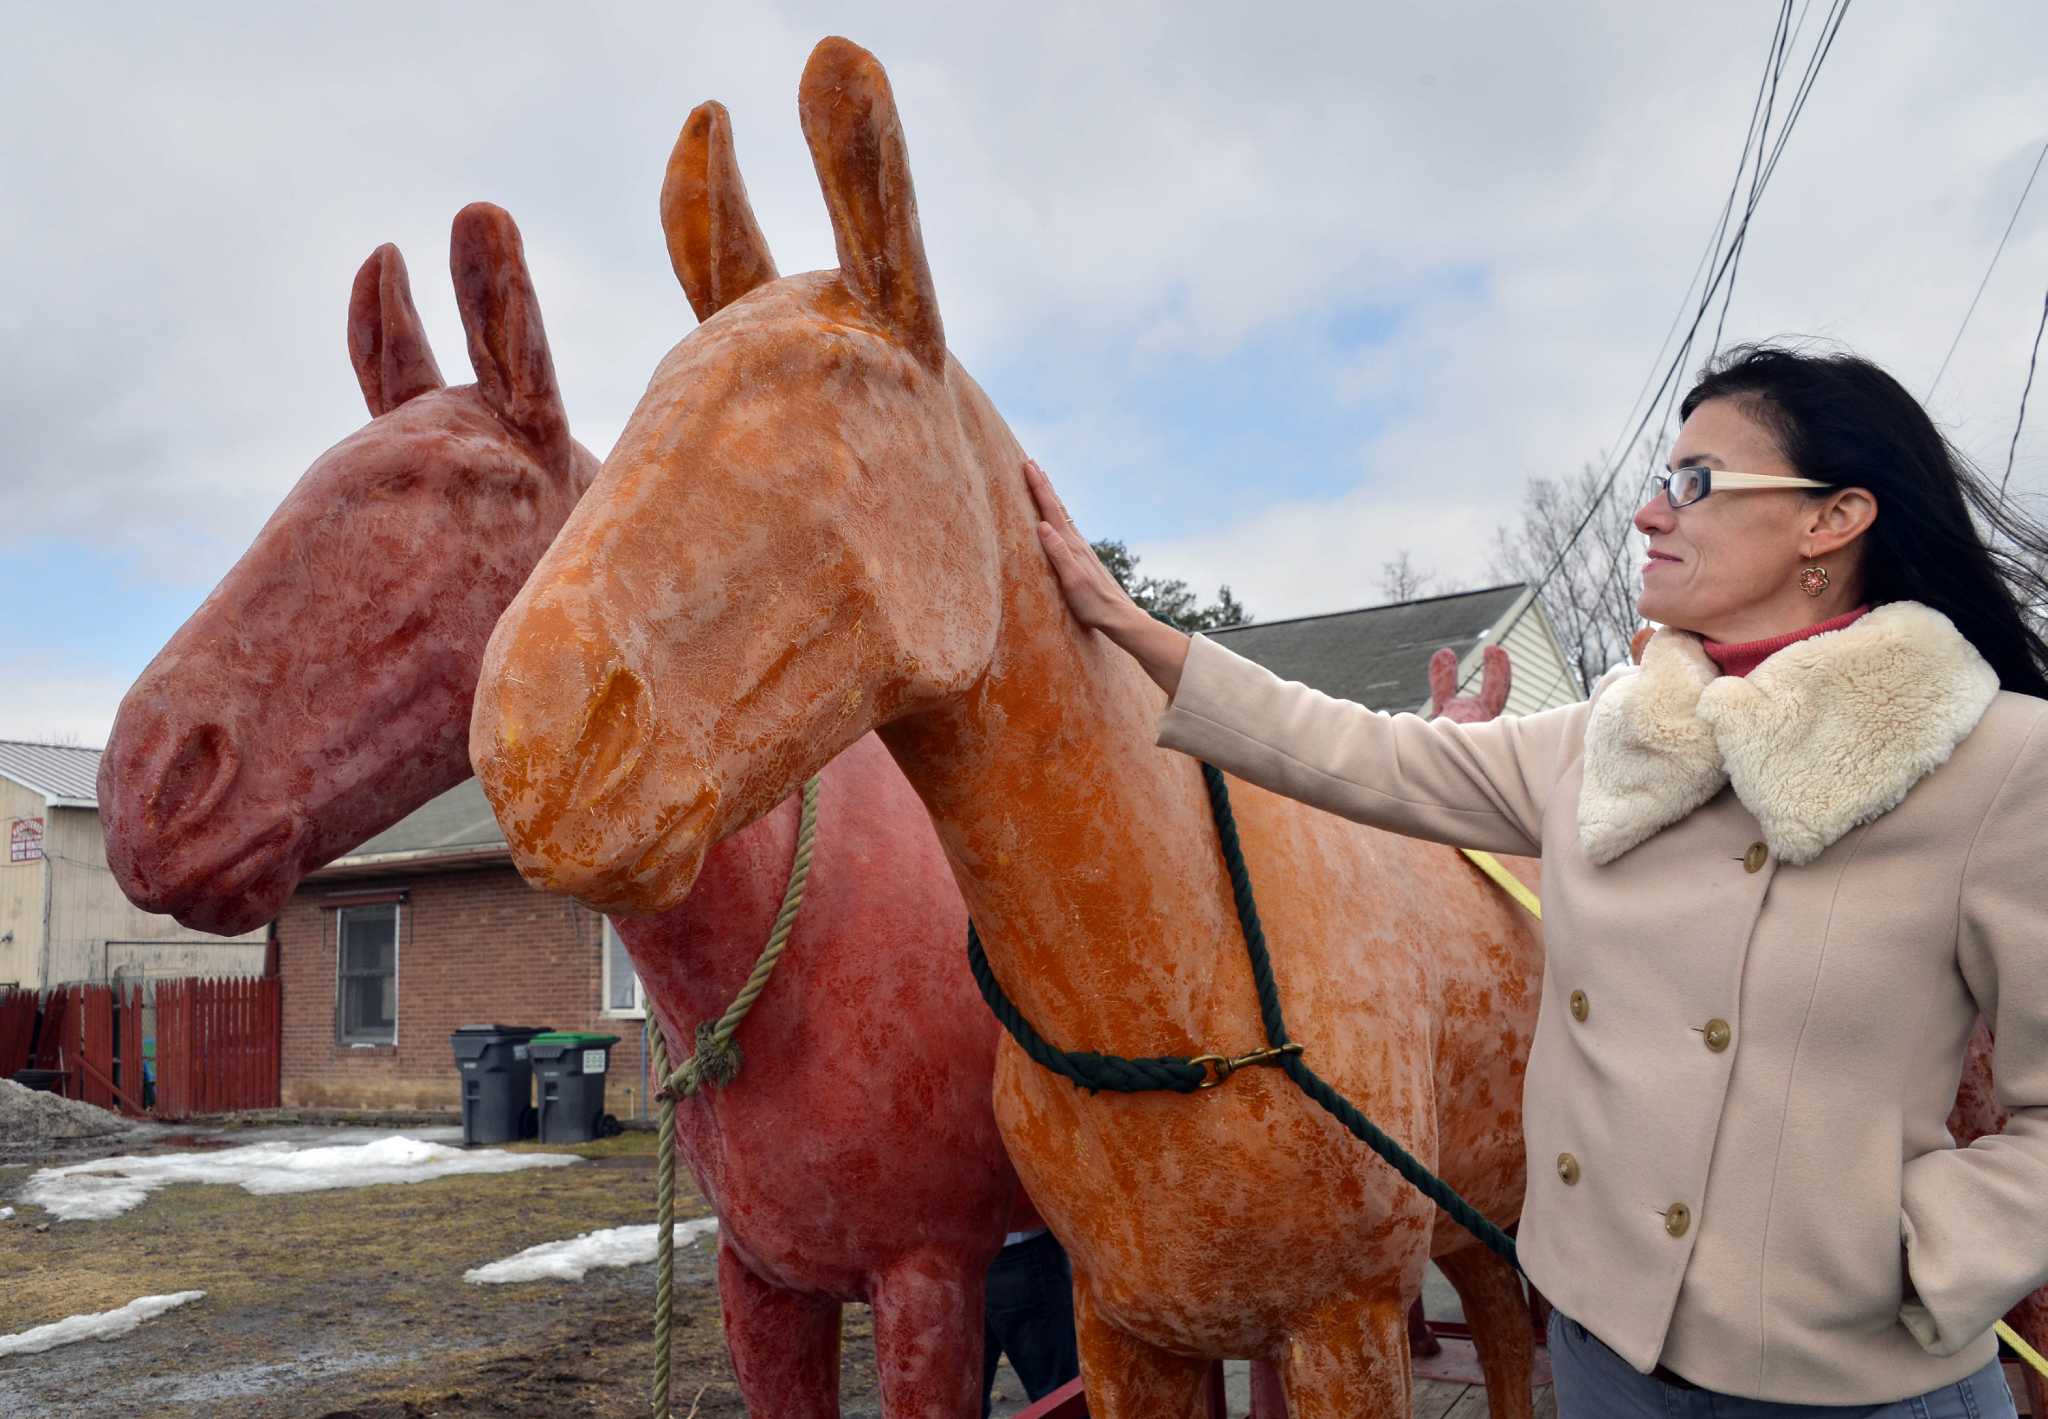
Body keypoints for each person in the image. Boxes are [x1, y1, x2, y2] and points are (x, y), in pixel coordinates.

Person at [1023, 343, 2048, 1417]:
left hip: (1856, 1383)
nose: (1650, 514)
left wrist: (1921, 1259)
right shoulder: (1612, 742)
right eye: (1659, 482)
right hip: (1605, 1356)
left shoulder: (1996, 761)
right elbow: (1357, 752)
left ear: (1829, 522)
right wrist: (1135, 630)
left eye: (1693, 483)